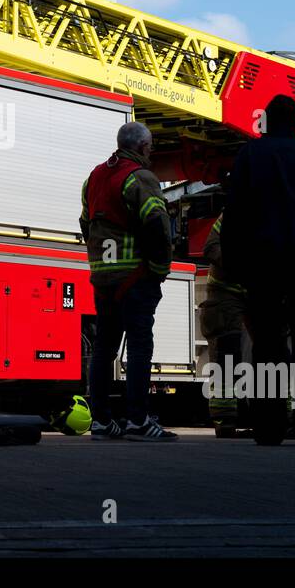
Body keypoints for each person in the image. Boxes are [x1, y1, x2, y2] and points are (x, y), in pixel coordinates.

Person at [221, 95, 295, 446]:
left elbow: (235, 214)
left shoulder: (250, 155)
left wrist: (234, 264)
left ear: (267, 121)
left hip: (263, 265)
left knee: (268, 345)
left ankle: (269, 426)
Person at [79, 121, 177, 441]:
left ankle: (101, 422)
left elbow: (86, 223)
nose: (151, 153)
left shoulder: (93, 177)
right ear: (141, 147)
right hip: (135, 277)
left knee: (104, 348)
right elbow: (157, 224)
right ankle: (137, 420)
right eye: (149, 148)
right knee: (138, 347)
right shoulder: (141, 178)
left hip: (103, 279)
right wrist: (159, 267)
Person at [199, 212, 249, 437]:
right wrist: (239, 266)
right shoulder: (236, 212)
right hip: (226, 291)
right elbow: (210, 246)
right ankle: (225, 420)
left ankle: (281, 416)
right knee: (227, 351)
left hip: (264, 291)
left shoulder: (282, 210)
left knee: (275, 351)